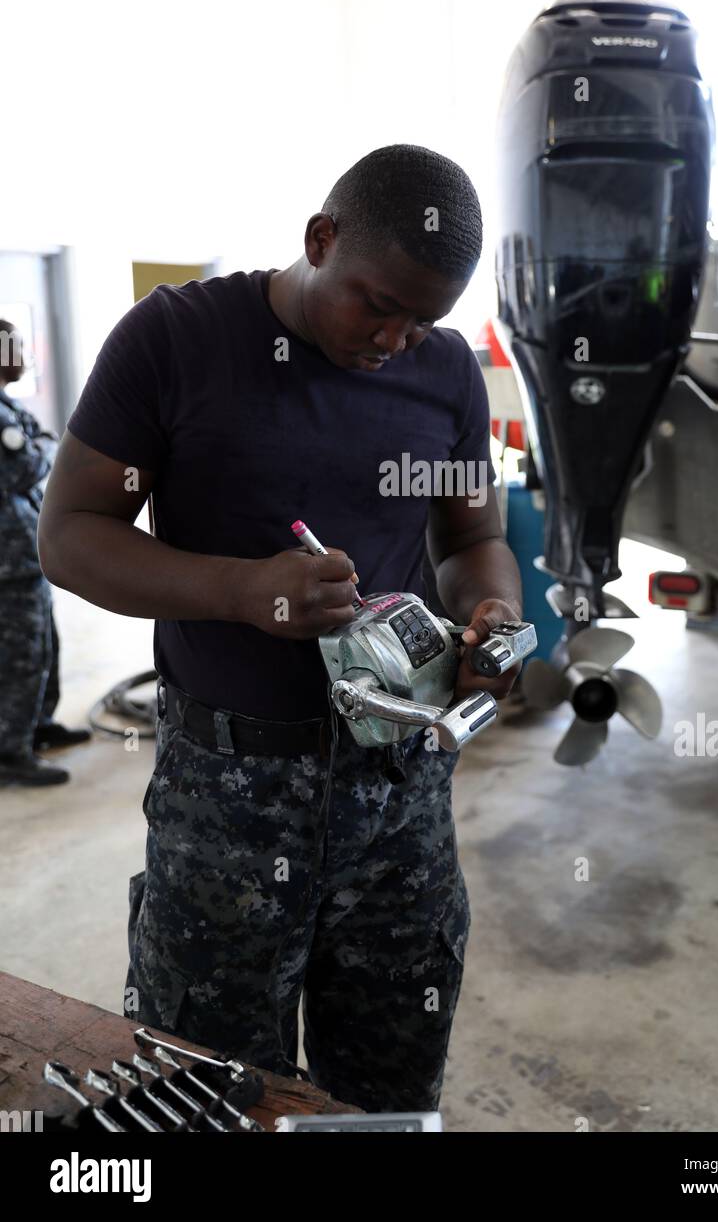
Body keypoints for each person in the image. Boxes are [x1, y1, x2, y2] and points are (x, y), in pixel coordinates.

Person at [38, 143, 524, 1113]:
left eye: (421, 320)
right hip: (228, 795)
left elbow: (470, 533)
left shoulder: (443, 377)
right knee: (205, 1086)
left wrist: (491, 612)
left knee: (386, 1090)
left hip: (396, 795)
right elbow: (71, 536)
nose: (392, 339)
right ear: (318, 238)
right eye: (375, 304)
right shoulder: (174, 341)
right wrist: (243, 590)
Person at [0, 320, 90, 787]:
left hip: (21, 556)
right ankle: (10, 751)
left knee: (42, 647)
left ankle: (37, 726)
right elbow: (21, 469)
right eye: (15, 347)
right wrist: (42, 448)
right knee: (20, 656)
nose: (24, 355)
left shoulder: (8, 405)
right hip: (7, 562)